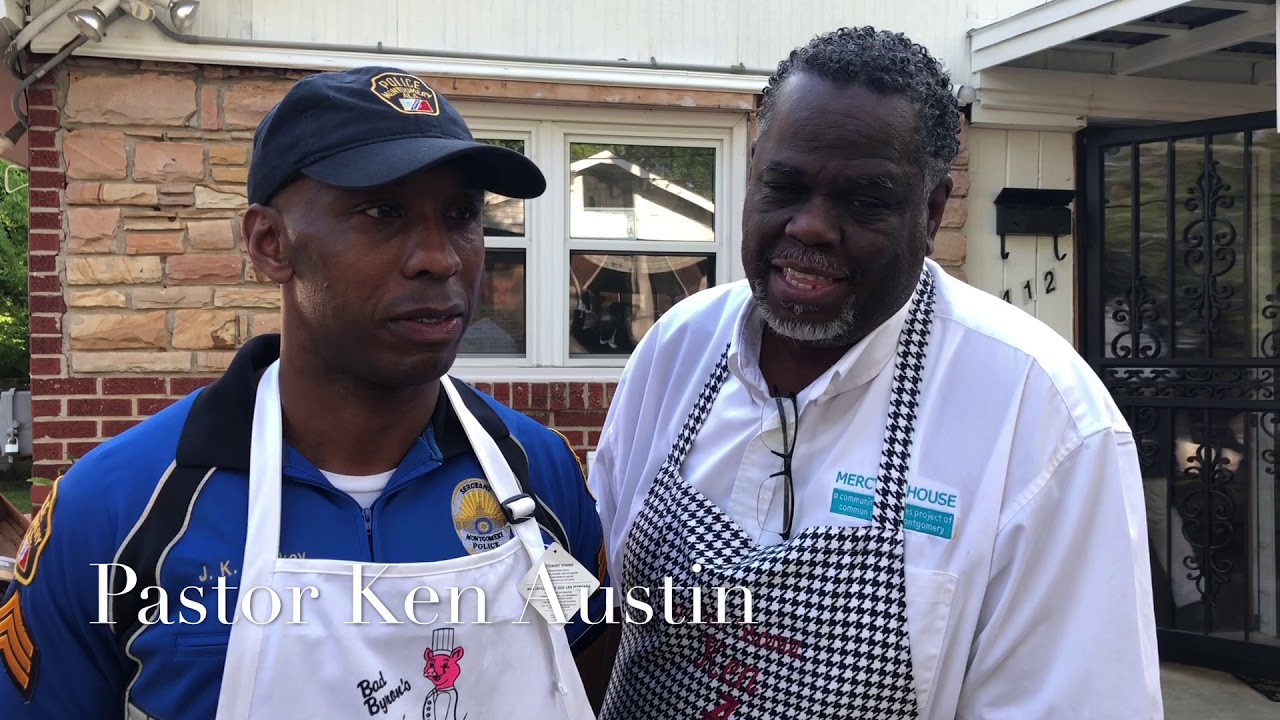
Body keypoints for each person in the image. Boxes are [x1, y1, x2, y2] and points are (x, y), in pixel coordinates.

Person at [588, 27, 1164, 720]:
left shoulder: (1041, 414)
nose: (812, 227)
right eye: (785, 186)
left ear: (931, 211)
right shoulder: (677, 347)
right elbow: (602, 607)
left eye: (863, 199)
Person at [0, 66, 609, 719]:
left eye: (461, 214)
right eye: (383, 212)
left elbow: (585, 671)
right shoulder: (116, 511)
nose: (440, 256)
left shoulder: (539, 480)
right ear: (270, 244)